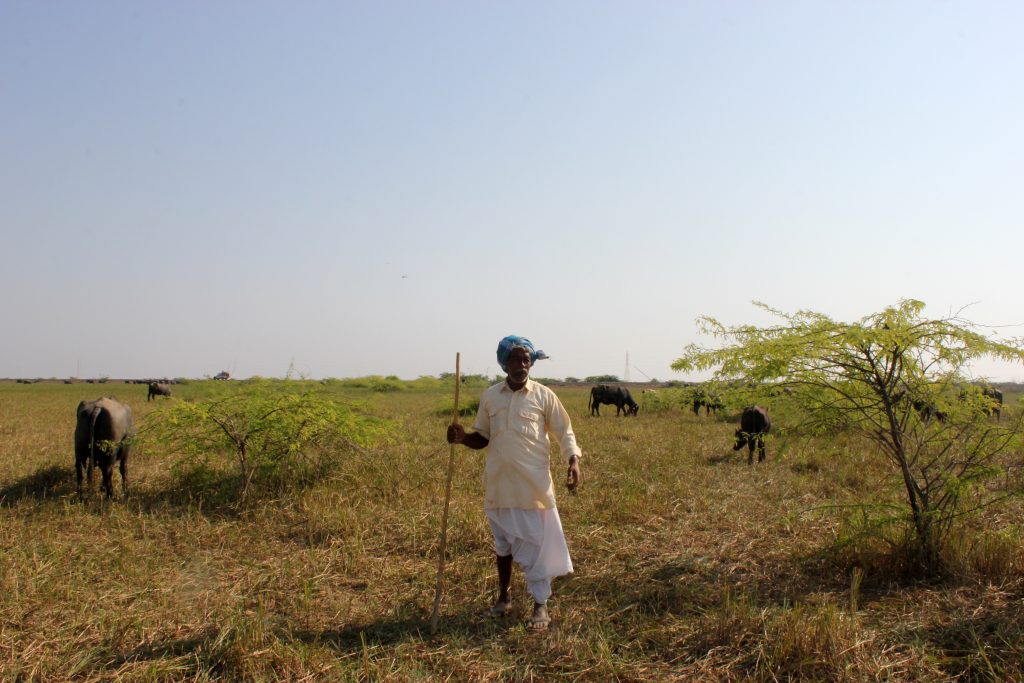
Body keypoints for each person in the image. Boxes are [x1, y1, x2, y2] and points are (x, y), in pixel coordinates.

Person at [447, 335, 582, 630]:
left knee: (536, 548)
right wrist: (461, 438)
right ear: (504, 362)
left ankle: (540, 605)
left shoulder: (544, 395)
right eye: (515, 359)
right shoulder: (490, 396)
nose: (521, 364)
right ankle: (504, 597)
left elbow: (564, 431)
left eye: (525, 359)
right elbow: (482, 437)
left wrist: (573, 460)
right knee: (503, 545)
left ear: (531, 362)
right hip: (498, 485)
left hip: (533, 488)